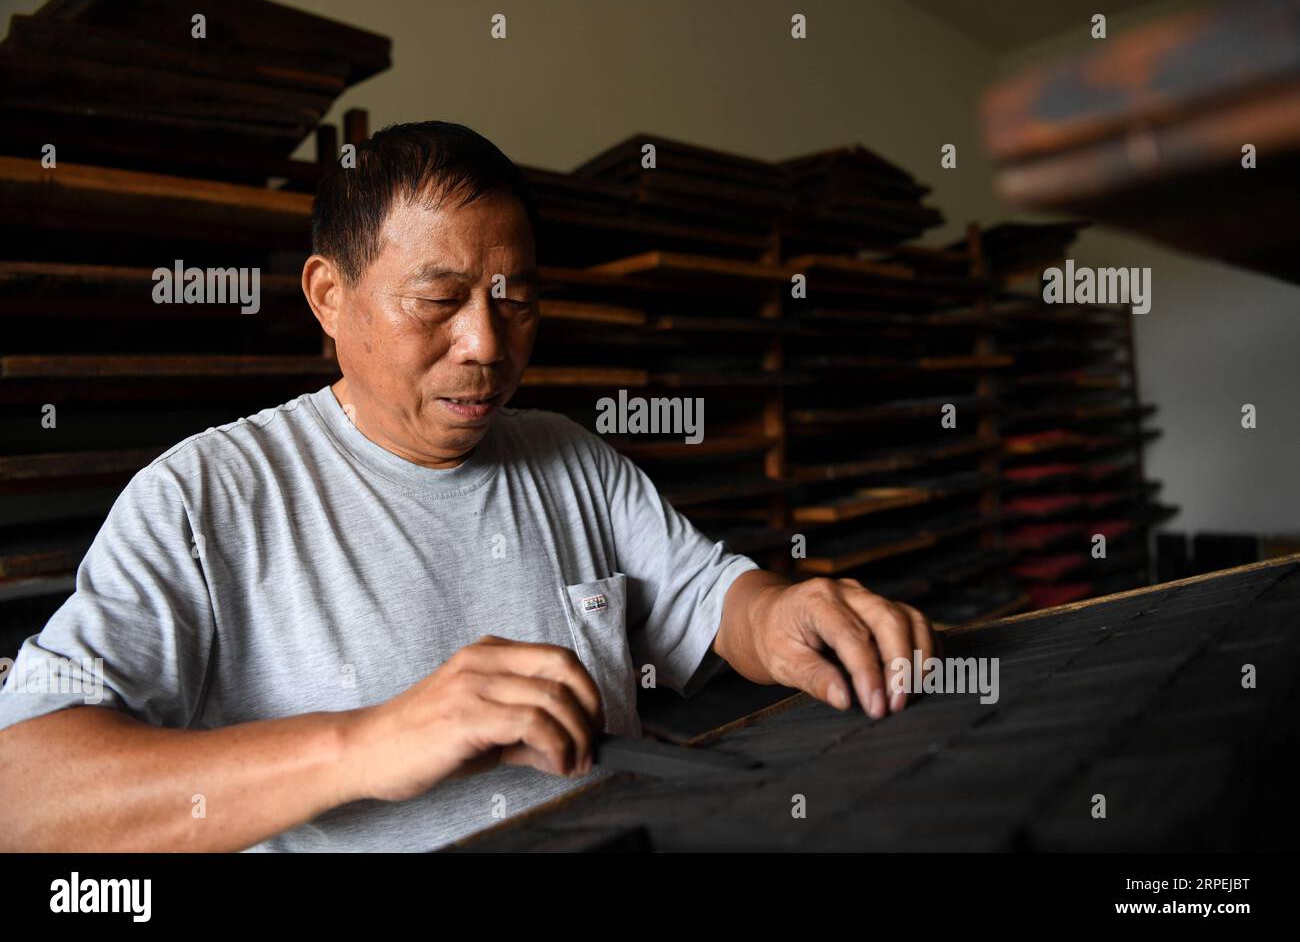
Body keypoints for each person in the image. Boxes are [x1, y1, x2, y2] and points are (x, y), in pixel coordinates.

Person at [0, 121, 938, 851]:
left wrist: (778, 615)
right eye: (439, 300)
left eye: (515, 299)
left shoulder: (567, 458)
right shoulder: (206, 497)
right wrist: (366, 743)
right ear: (329, 296)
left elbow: (712, 598)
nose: (488, 345)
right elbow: (24, 794)